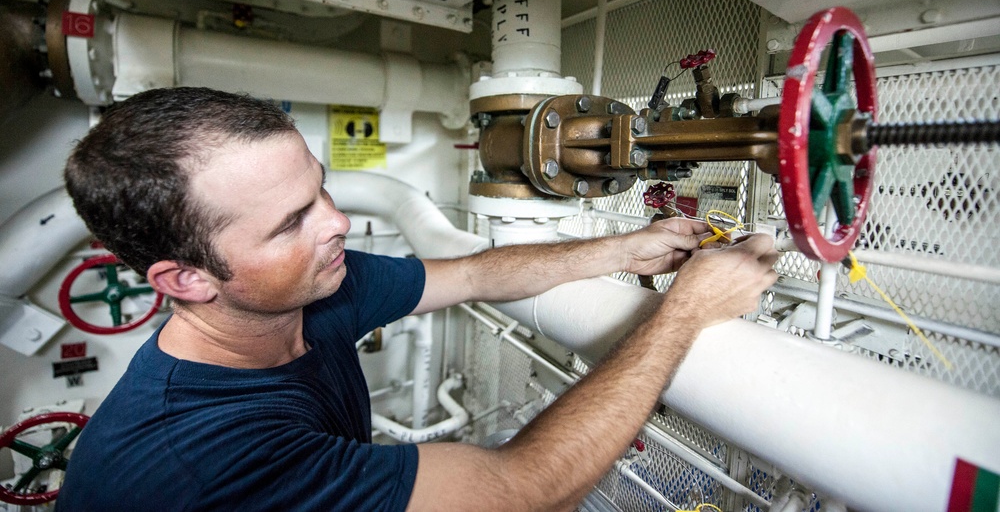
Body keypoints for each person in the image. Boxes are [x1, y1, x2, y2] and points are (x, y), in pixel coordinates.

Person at [57, 86, 778, 511]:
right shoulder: (203, 456)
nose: (337, 222)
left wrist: (619, 249)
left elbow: (470, 275)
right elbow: (521, 487)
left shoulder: (307, 293)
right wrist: (686, 310)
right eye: (291, 222)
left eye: (321, 189)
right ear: (186, 279)